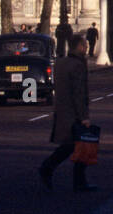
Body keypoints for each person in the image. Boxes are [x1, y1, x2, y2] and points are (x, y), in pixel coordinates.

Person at [39, 35, 95, 192]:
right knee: (78, 145)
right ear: (79, 47)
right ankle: (49, 169)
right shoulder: (78, 65)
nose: (86, 48)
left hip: (62, 110)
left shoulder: (61, 63)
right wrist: (84, 117)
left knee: (74, 146)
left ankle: (77, 180)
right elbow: (79, 93)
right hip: (74, 113)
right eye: (84, 45)